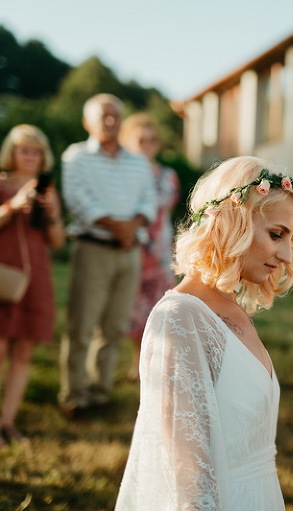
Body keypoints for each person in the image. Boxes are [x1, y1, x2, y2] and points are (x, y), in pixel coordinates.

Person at [114, 156, 293, 510]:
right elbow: (187, 474)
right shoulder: (180, 318)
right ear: (233, 222)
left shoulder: (234, 311)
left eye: (291, 239)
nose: (285, 254)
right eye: (276, 234)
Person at [58, 93, 157, 418]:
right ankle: (74, 395)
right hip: (93, 249)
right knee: (82, 325)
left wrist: (131, 227)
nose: (112, 121)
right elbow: (77, 200)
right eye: (104, 116)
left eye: (116, 115)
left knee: (114, 326)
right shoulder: (76, 156)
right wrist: (118, 226)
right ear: (87, 122)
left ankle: (100, 392)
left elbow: (149, 201)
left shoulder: (137, 161)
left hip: (129, 252)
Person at [0, 125, 65, 446]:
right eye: (24, 150)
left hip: (35, 276)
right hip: (3, 273)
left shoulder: (48, 191)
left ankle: (7, 423)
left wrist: (51, 213)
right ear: (11, 153)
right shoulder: (1, 184)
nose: (30, 157)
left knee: (24, 352)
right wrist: (14, 204)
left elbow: (57, 241)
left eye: (36, 151)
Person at [119, 113, 180, 382]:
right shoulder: (122, 175)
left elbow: (166, 211)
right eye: (141, 140)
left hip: (161, 250)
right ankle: (136, 360)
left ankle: (155, 362)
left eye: (153, 140)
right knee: (134, 307)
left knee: (160, 305)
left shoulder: (168, 175)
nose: (148, 145)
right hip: (132, 247)